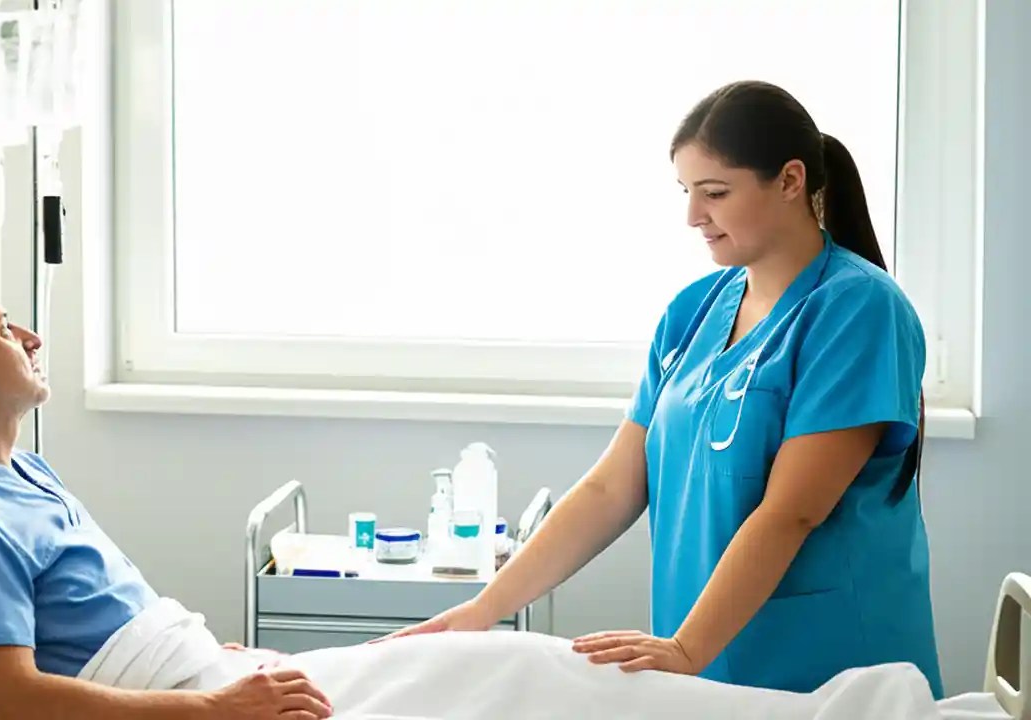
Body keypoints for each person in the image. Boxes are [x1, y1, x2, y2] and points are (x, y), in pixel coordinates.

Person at [386, 80, 944, 699]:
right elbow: (611, 487)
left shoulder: (858, 311)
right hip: (706, 667)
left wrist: (686, 646)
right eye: (686, 192)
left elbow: (794, 509)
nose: (692, 216)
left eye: (715, 193)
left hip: (830, 670)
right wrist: (482, 610)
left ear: (789, 181)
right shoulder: (694, 312)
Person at [0, 269, 333, 720]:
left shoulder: (21, 468)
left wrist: (202, 662)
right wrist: (218, 709)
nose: (32, 339)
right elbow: (11, 702)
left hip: (198, 678)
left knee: (405, 655)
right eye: (3, 328)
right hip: (189, 701)